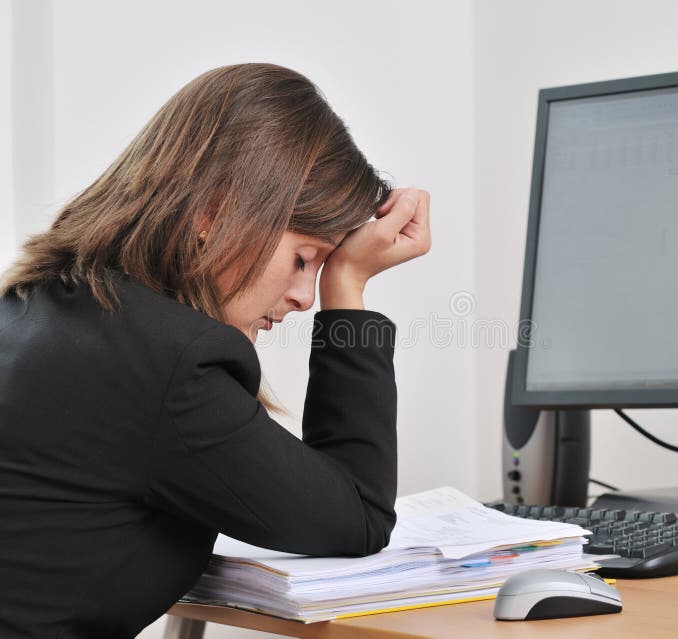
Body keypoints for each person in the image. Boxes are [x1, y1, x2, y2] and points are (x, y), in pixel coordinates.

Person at [0, 63, 430, 638]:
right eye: (303, 258)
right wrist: (346, 291)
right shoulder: (170, 365)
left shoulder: (36, 306)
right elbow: (360, 517)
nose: (304, 296)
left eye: (321, 269)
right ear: (213, 213)